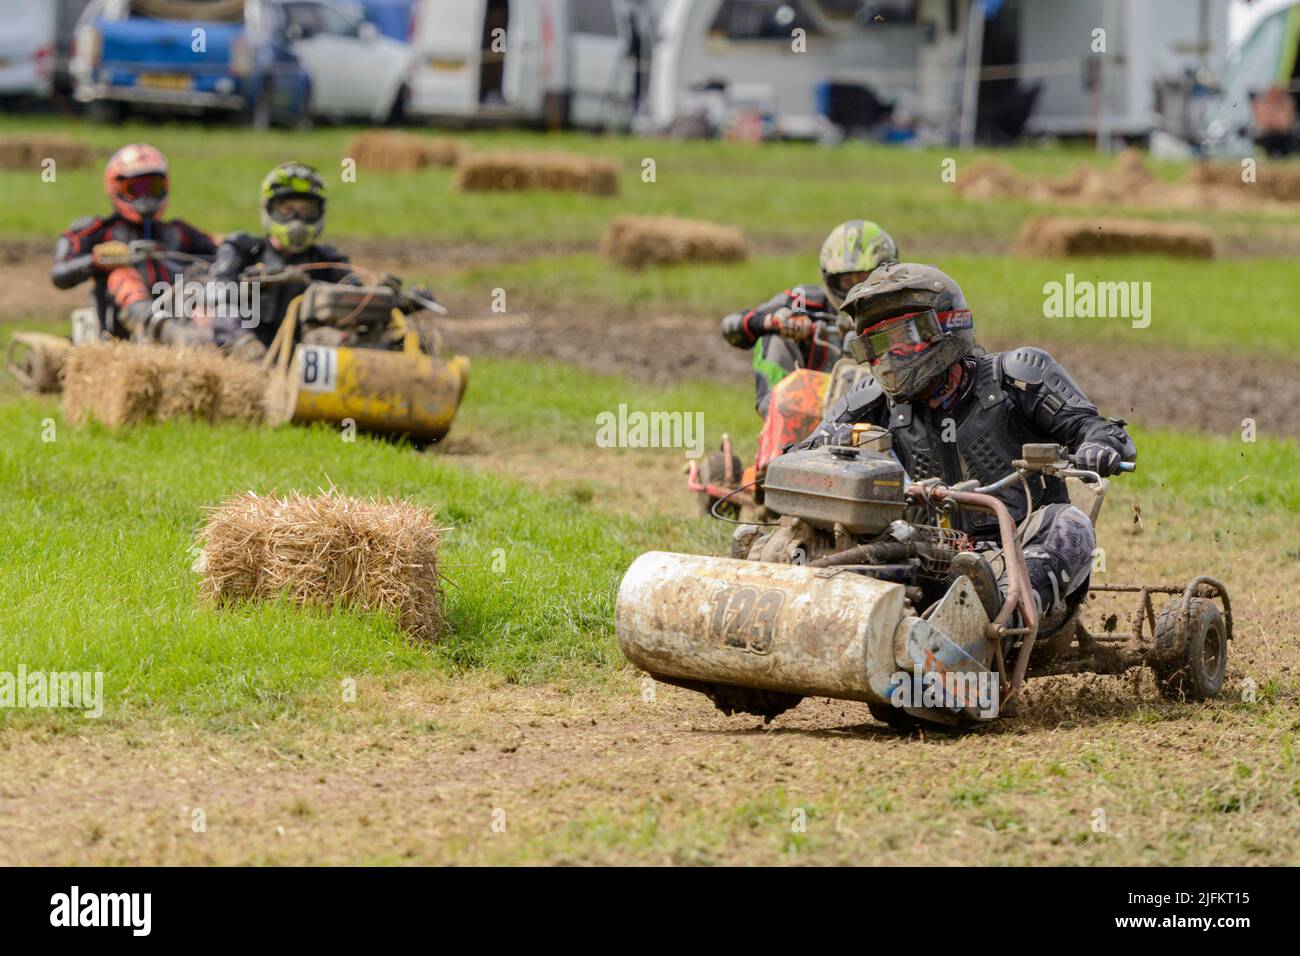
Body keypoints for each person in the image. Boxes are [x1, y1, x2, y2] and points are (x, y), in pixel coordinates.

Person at [799, 262, 1135, 632]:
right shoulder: (870, 400)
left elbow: (1099, 430)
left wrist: (1098, 446)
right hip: (922, 556)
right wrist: (829, 444)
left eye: (906, 337)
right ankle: (815, 620)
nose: (893, 355)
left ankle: (1004, 619)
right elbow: (798, 455)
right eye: (879, 344)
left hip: (1017, 551)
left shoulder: (1018, 376)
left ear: (948, 324)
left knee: (1070, 524)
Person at [720, 220, 897, 416]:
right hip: (814, 409)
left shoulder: (904, 302)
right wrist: (777, 322)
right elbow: (731, 328)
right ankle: (780, 419)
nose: (856, 288)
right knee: (775, 339)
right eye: (847, 281)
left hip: (891, 406)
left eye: (864, 277)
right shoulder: (805, 302)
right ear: (830, 279)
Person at [50, 143, 217, 343]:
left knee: (200, 280)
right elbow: (59, 273)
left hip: (180, 316)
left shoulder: (177, 232)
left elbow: (223, 256)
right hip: (120, 335)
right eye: (136, 189)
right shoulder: (98, 229)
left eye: (152, 188)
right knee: (122, 276)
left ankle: (207, 336)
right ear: (116, 188)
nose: (145, 197)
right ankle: (161, 333)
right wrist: (97, 260)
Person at [208, 162, 353, 360]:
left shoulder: (329, 260)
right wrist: (247, 290)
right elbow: (213, 297)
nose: (297, 219)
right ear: (269, 208)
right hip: (248, 353)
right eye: (287, 209)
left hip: (304, 356)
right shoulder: (242, 249)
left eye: (306, 210)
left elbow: (358, 301)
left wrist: (310, 286)